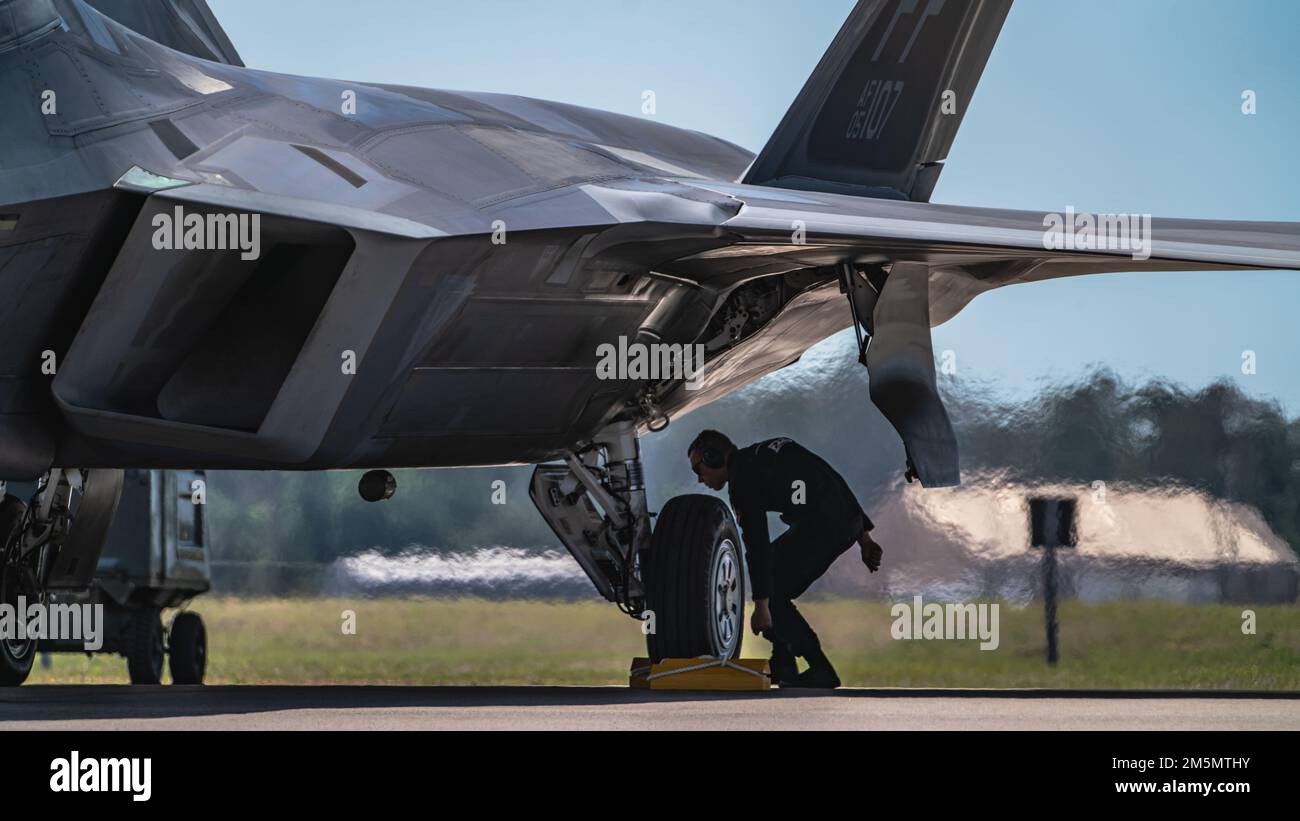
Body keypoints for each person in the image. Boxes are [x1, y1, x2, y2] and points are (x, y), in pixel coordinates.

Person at [687, 430, 883, 688]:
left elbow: (756, 545)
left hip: (824, 525)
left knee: (773, 590)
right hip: (838, 521)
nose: (700, 479)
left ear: (713, 458)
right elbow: (830, 477)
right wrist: (863, 536)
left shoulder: (743, 480)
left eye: (698, 470)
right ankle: (783, 663)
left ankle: (819, 667)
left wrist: (761, 607)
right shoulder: (764, 453)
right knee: (771, 577)